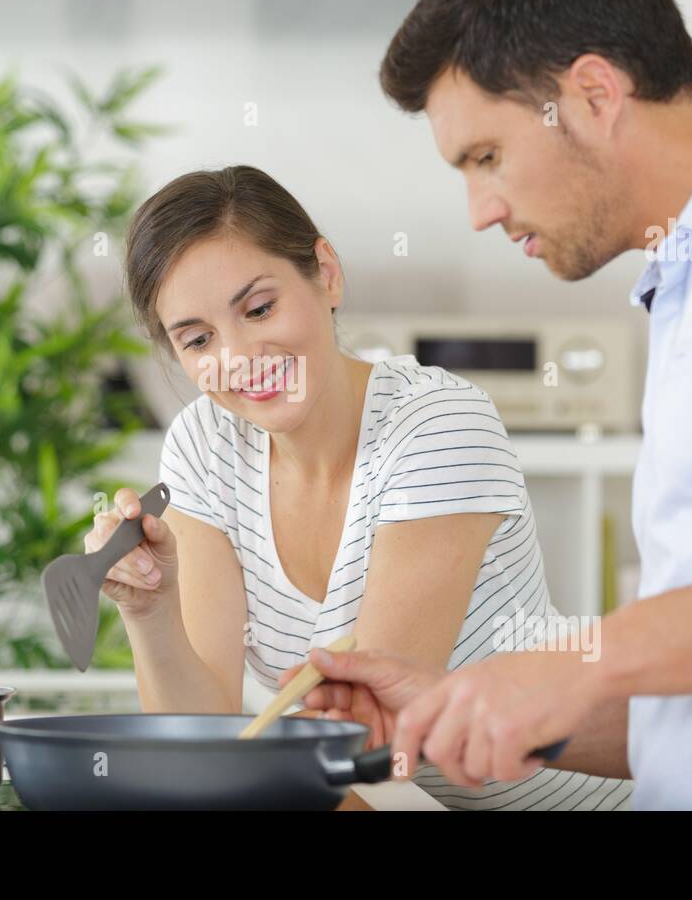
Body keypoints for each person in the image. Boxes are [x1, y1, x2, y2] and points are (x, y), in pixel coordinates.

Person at [285, 0, 692, 809]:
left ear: (594, 94)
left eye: (486, 157)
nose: (480, 211)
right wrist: (494, 706)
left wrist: (580, 661)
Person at [84, 163, 632, 809]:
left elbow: (367, 754)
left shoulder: (435, 427)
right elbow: (205, 729)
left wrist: (223, 779)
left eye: (259, 308)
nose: (238, 358)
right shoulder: (204, 446)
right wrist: (149, 608)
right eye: (199, 339)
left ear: (327, 273)